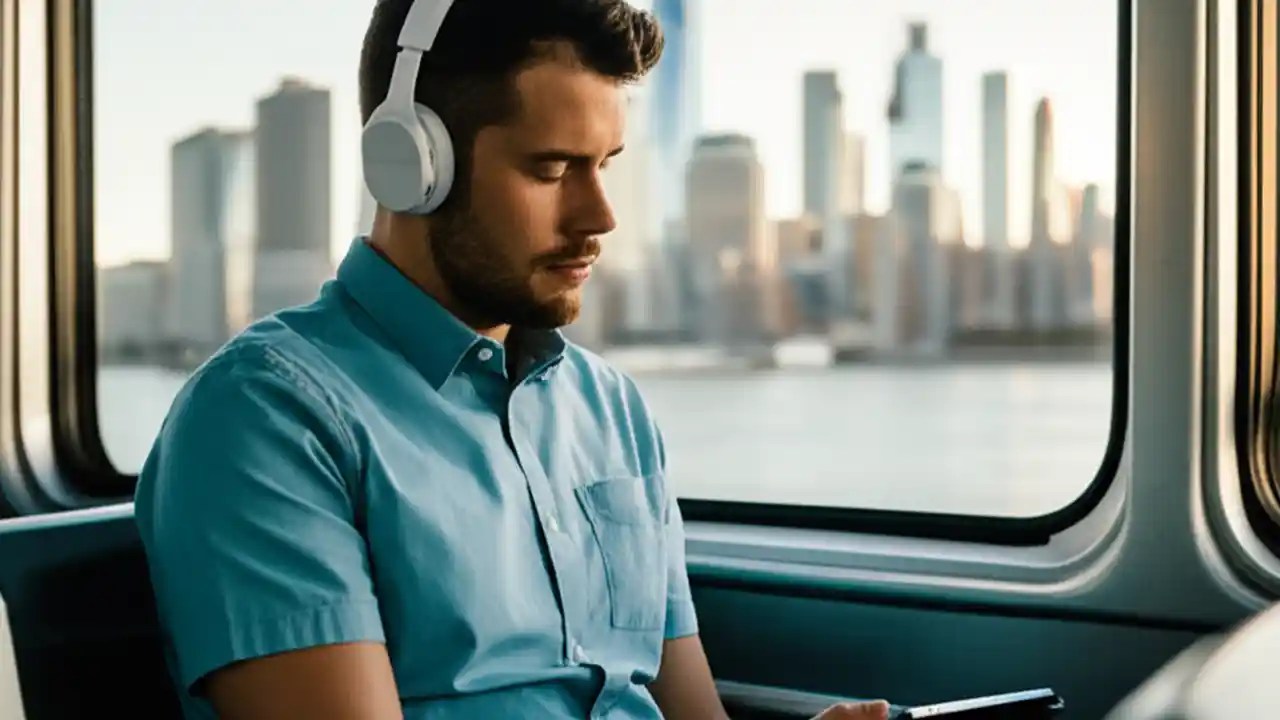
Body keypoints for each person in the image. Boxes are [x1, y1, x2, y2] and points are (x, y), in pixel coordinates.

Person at [133, 1, 892, 718]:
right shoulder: (264, 420)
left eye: (606, 165)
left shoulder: (613, 412)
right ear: (412, 164)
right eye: (553, 170)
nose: (600, 216)